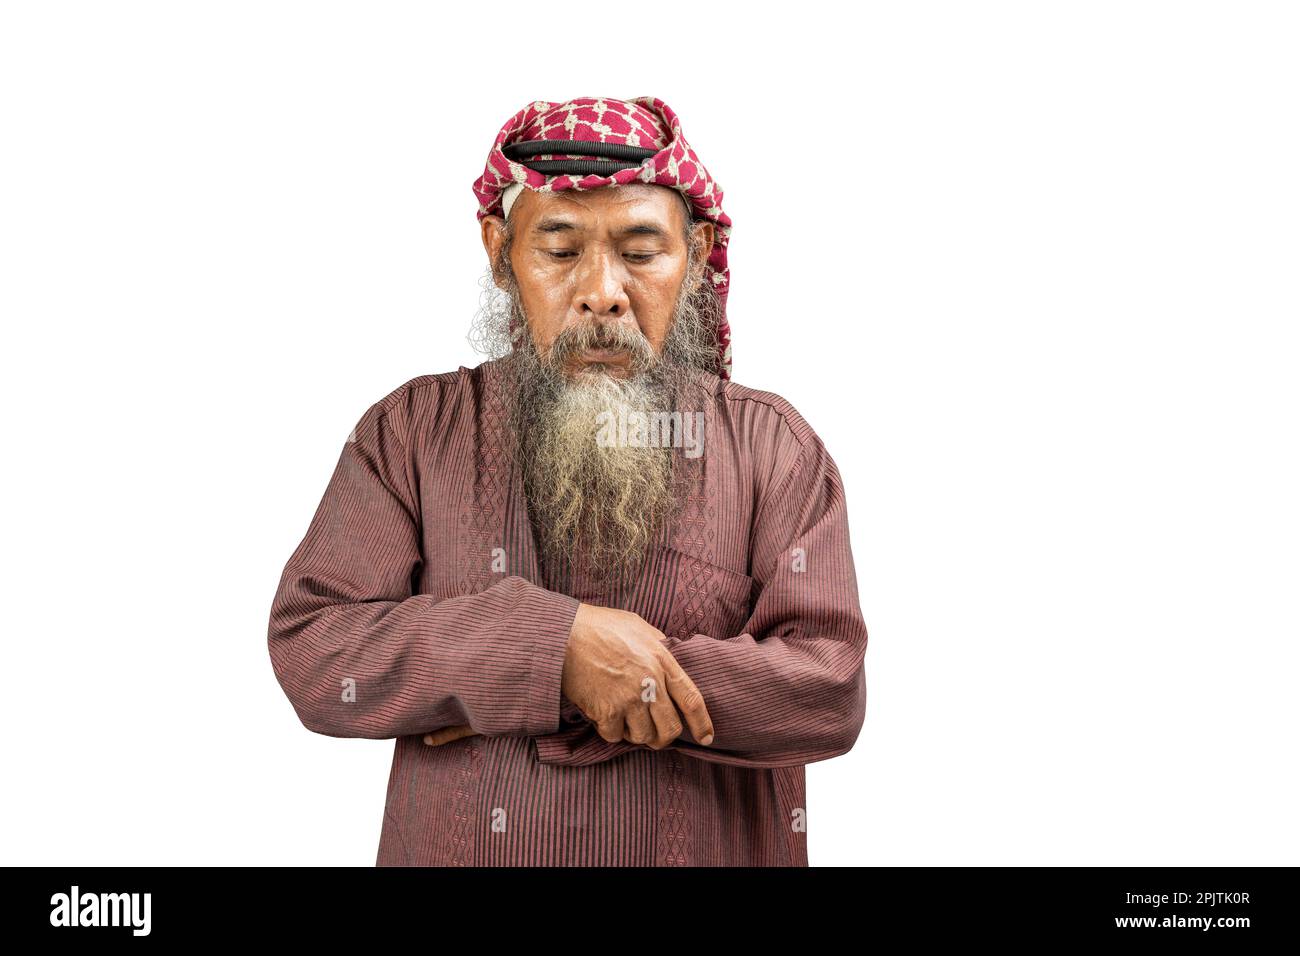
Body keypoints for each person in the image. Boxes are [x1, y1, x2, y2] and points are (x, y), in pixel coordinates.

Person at [267, 95, 869, 866]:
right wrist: (554, 651)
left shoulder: (773, 448)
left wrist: (577, 680)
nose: (602, 291)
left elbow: (827, 691)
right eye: (559, 249)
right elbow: (315, 651)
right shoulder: (408, 434)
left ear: (697, 252)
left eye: (642, 250)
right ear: (498, 250)